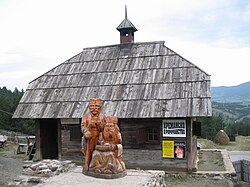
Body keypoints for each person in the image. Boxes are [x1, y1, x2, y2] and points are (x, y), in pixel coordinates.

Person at [81, 98, 106, 171]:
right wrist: (86, 131)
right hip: (90, 137)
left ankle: (99, 166)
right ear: (89, 107)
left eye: (96, 106)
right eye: (92, 106)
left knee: (99, 152)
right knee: (89, 152)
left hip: (99, 137)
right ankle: (88, 166)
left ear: (100, 107)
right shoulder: (86, 116)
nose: (94, 108)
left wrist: (99, 125)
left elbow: (103, 128)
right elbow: (83, 126)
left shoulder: (102, 117)